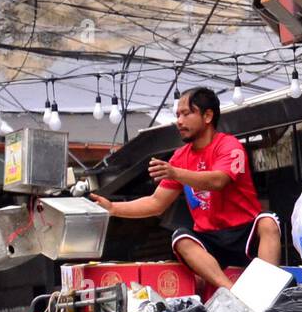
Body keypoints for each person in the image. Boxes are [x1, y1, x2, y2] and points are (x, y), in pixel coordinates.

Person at [90, 86, 281, 293]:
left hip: (244, 232)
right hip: (210, 240)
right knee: (180, 238)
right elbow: (156, 203)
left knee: (268, 221)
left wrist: (176, 173)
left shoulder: (229, 145)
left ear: (207, 116)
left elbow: (218, 181)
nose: (179, 121)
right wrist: (113, 208)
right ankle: (233, 292)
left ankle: (266, 291)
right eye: (177, 115)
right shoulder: (180, 157)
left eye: (186, 113)